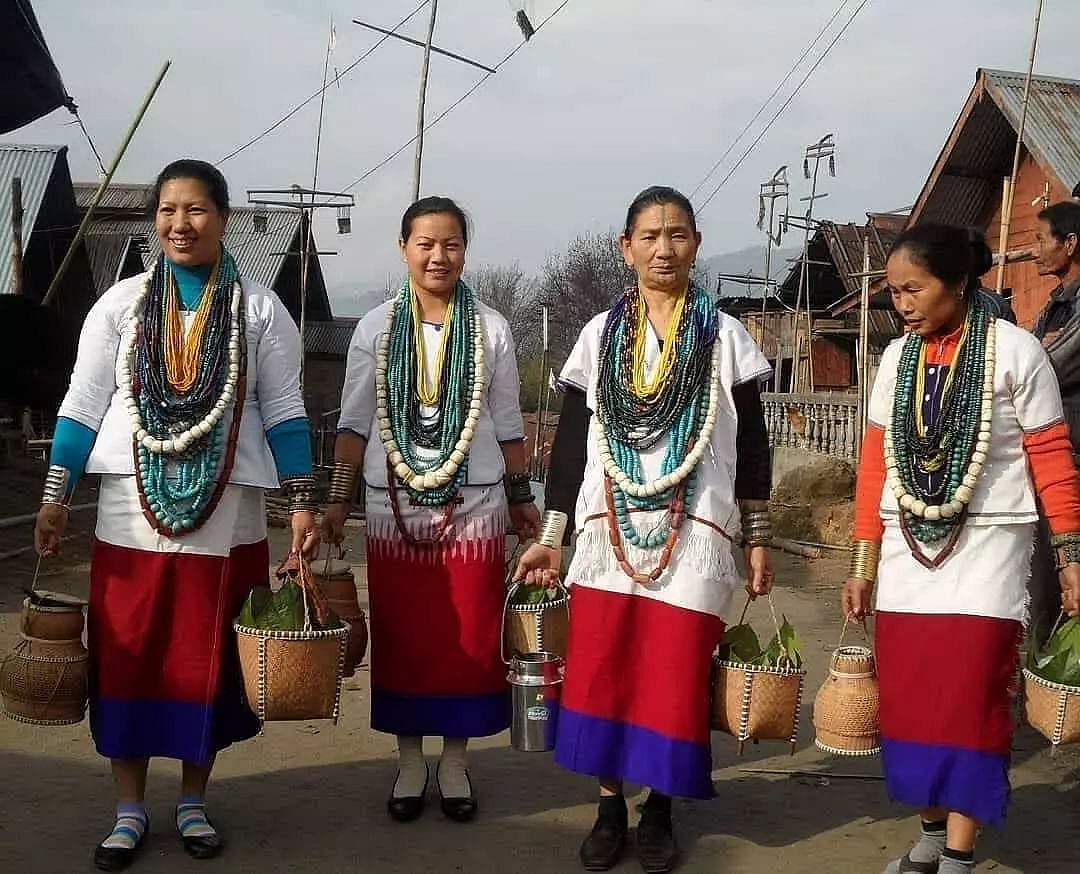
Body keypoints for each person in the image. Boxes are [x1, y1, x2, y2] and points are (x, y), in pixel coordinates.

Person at [34, 159, 318, 871]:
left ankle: (193, 802)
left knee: (208, 664)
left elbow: (284, 411)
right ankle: (128, 811)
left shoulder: (259, 309)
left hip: (229, 522)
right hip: (131, 520)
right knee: (127, 661)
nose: (178, 224)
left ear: (223, 217)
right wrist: (54, 493)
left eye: (195, 209)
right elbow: (82, 404)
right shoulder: (120, 306)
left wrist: (304, 501)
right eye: (166, 210)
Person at [515, 186, 774, 873]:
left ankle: (658, 808)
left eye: (679, 234)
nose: (665, 248)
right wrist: (553, 532)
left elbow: (754, 447)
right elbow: (571, 443)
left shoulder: (726, 335)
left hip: (697, 533)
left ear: (695, 245)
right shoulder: (600, 334)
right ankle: (608, 807)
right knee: (603, 669)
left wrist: (757, 535)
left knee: (673, 671)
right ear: (625, 248)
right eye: (651, 235)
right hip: (608, 533)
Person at [843, 222, 1080, 874]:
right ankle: (927, 832)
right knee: (910, 700)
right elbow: (873, 467)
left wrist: (1070, 559)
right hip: (907, 556)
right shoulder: (897, 360)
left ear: (955, 282)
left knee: (969, 700)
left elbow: (1054, 461)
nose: (903, 304)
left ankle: (958, 851)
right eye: (895, 293)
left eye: (913, 289)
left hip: (987, 555)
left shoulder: (1015, 352)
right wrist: (863, 563)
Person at [322, 196, 539, 824]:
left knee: (468, 635)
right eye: (426, 243)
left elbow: (505, 421)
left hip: (475, 508)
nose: (438, 256)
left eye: (451, 244)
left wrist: (522, 499)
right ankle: (410, 759)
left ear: (465, 252)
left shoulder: (492, 328)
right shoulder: (375, 327)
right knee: (405, 634)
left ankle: (456, 760)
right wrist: (338, 499)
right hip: (393, 510)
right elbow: (356, 419)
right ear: (403, 248)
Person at [1028, 201, 1080, 647]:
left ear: (1071, 243)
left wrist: (1034, 355)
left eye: (1042, 239)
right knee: (1044, 572)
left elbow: (1040, 368)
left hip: (1072, 456)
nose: (1034, 251)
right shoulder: (1055, 304)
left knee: (1064, 569)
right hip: (1055, 453)